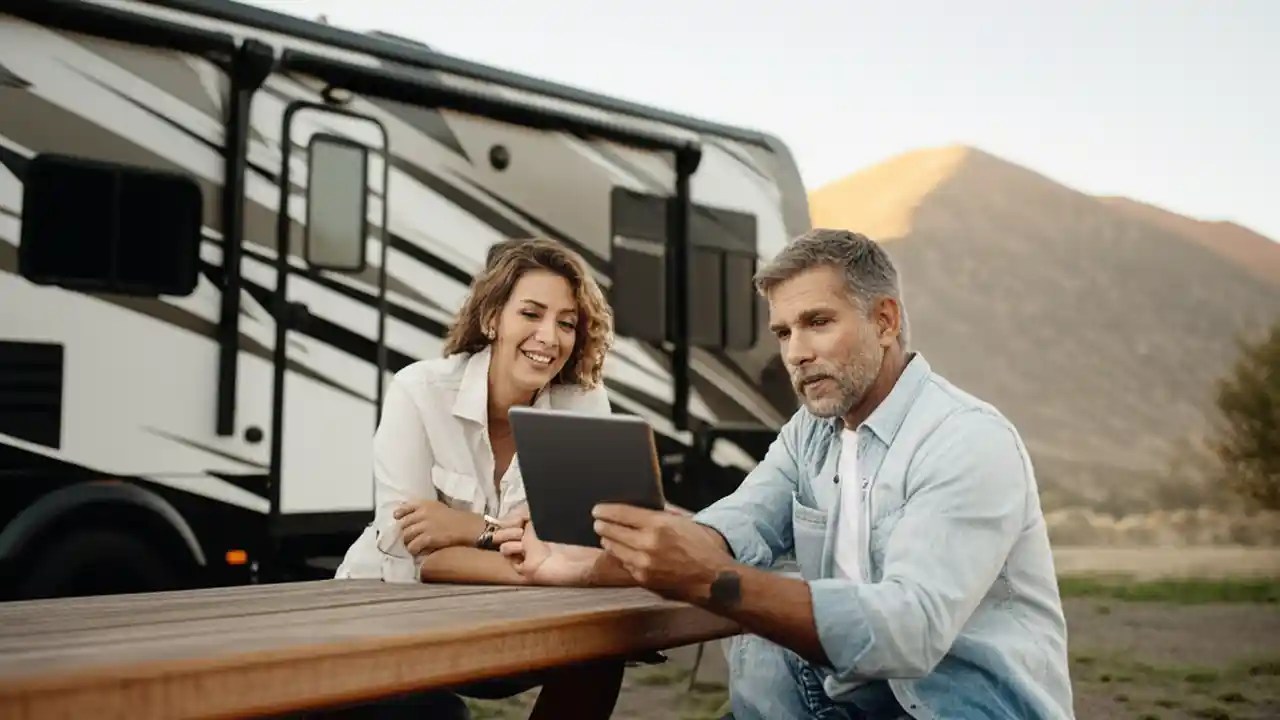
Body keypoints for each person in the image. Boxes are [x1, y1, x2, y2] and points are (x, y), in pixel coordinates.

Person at [499, 229, 1074, 719]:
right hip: (856, 700)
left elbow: (910, 632)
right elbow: (737, 526)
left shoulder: (964, 438)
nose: (795, 353)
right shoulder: (811, 431)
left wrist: (714, 580)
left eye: (817, 322)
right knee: (763, 639)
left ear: (885, 321)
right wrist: (591, 559)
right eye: (783, 332)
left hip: (961, 706)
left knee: (761, 612)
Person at [333, 236, 624, 719]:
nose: (549, 337)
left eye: (566, 323)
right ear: (492, 318)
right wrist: (539, 555)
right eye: (531, 314)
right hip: (387, 618)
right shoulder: (419, 390)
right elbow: (422, 556)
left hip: (503, 620)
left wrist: (470, 531)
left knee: (600, 653)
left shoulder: (583, 405)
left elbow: (586, 545)